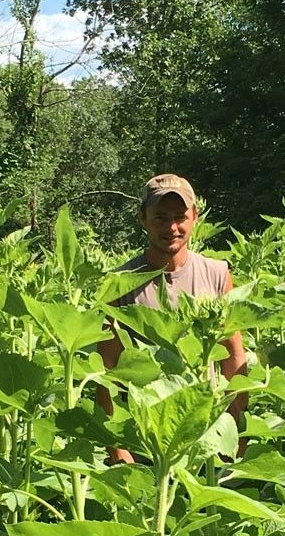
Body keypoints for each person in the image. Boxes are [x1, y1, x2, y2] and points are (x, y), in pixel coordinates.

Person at [98, 173, 247, 464]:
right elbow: (108, 372)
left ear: (195, 216)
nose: (172, 227)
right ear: (142, 218)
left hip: (208, 438)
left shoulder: (216, 274)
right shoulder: (120, 283)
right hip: (146, 439)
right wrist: (117, 450)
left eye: (180, 217)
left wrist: (238, 437)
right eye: (160, 217)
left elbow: (233, 359)